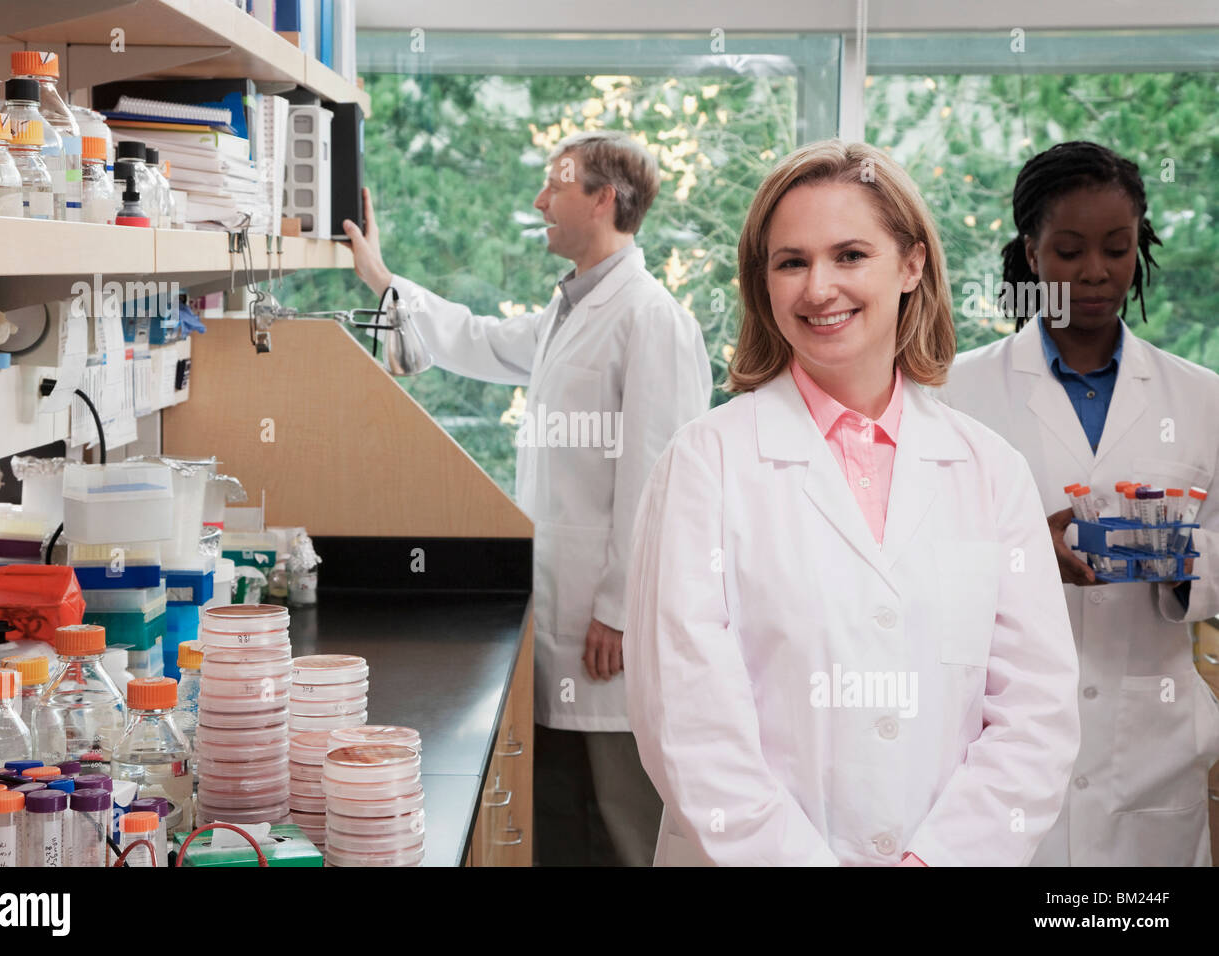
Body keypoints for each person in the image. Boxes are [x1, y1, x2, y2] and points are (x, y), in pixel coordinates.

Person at [624, 139, 1080, 866]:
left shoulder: (991, 470)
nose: (818, 288)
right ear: (763, 283)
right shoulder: (702, 463)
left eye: (849, 255)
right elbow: (686, 719)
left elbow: (1038, 713)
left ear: (911, 264)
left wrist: (937, 860)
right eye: (791, 262)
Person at [344, 130, 713, 866]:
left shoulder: (651, 319)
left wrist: (617, 608)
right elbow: (474, 340)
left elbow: (656, 479)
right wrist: (382, 279)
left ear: (604, 198)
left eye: (556, 186)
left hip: (607, 625)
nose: (540, 202)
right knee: (565, 815)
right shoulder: (569, 314)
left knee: (623, 820)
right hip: (559, 611)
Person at [938, 141, 1219, 866]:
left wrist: (1181, 559)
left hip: (1149, 752)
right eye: (1068, 250)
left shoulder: (1200, 398)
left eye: (1117, 249)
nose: (1094, 272)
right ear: (1030, 254)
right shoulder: (955, 395)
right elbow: (914, 562)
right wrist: (1033, 551)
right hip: (998, 745)